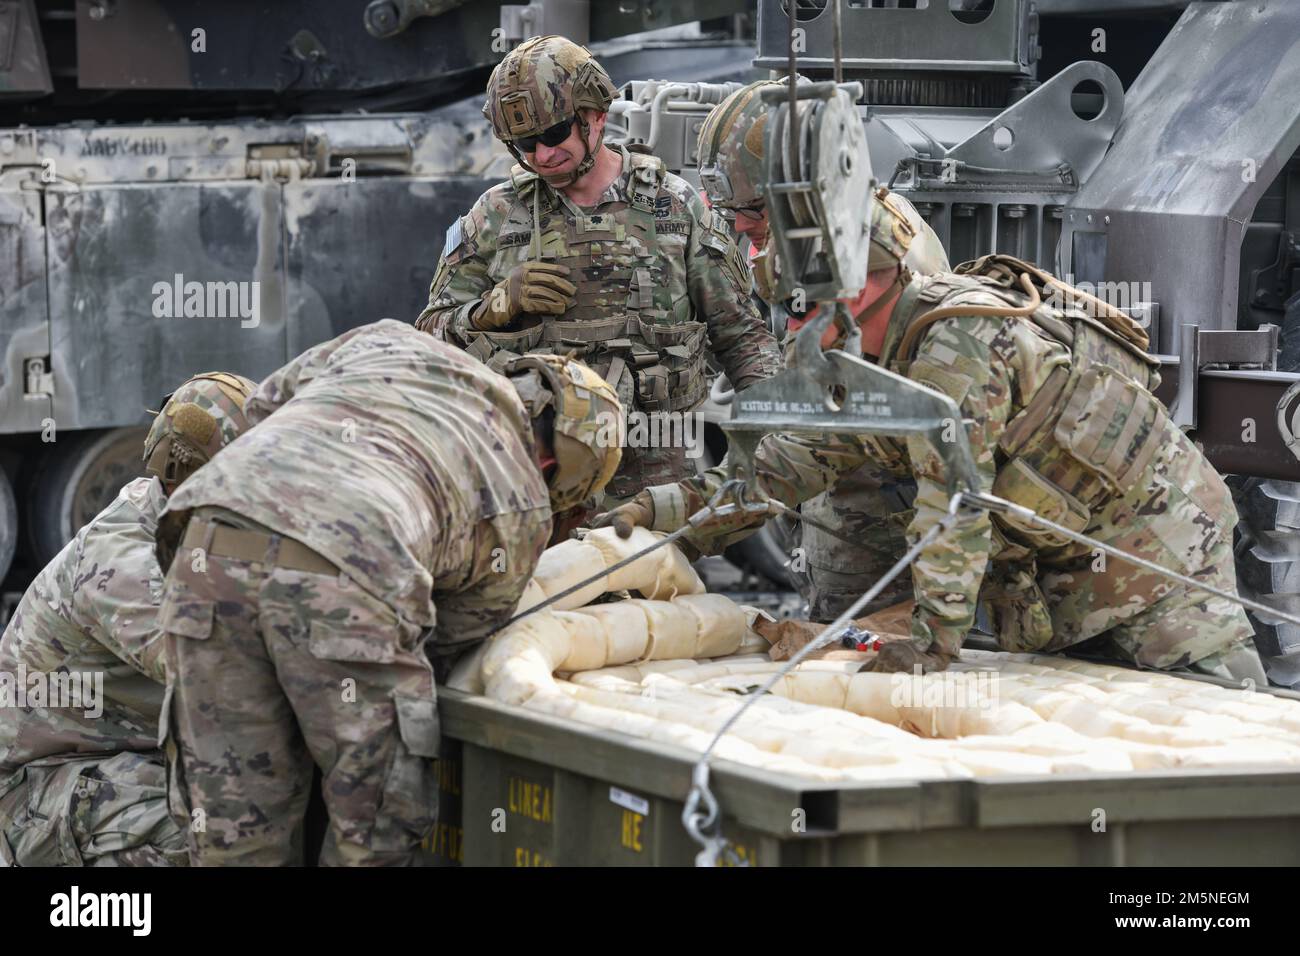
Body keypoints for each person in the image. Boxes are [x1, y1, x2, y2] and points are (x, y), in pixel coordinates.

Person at [598, 240, 1265, 681]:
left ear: (858, 296)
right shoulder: (860, 368)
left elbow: (955, 504)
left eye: (800, 311)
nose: (789, 332)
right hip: (1053, 591)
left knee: (1221, 767)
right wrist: (656, 517)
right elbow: (774, 473)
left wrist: (932, 644)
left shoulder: (958, 346)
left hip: (1159, 568)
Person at [155, 320, 622, 865]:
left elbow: (263, 408)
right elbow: (450, 642)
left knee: (234, 824)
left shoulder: (386, 340)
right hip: (352, 577)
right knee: (374, 824)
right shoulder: (521, 498)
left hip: (206, 543)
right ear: (554, 469)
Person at [415, 35, 781, 507]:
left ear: (595, 116)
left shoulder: (674, 207)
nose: (542, 155)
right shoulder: (496, 217)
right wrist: (492, 309)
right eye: (525, 144)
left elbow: (744, 340)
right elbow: (429, 337)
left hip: (654, 484)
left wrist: (762, 453)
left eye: (553, 135)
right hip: (538, 481)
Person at [695, 79, 951, 619]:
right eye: (732, 209)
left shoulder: (871, 252)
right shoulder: (804, 238)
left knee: (870, 658)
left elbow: (847, 417)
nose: (741, 226)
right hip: (830, 494)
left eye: (755, 209)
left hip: (878, 517)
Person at [0, 372, 256, 865]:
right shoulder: (121, 561)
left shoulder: (195, 527)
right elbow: (215, 668)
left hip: (115, 760)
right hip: (34, 796)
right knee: (217, 821)